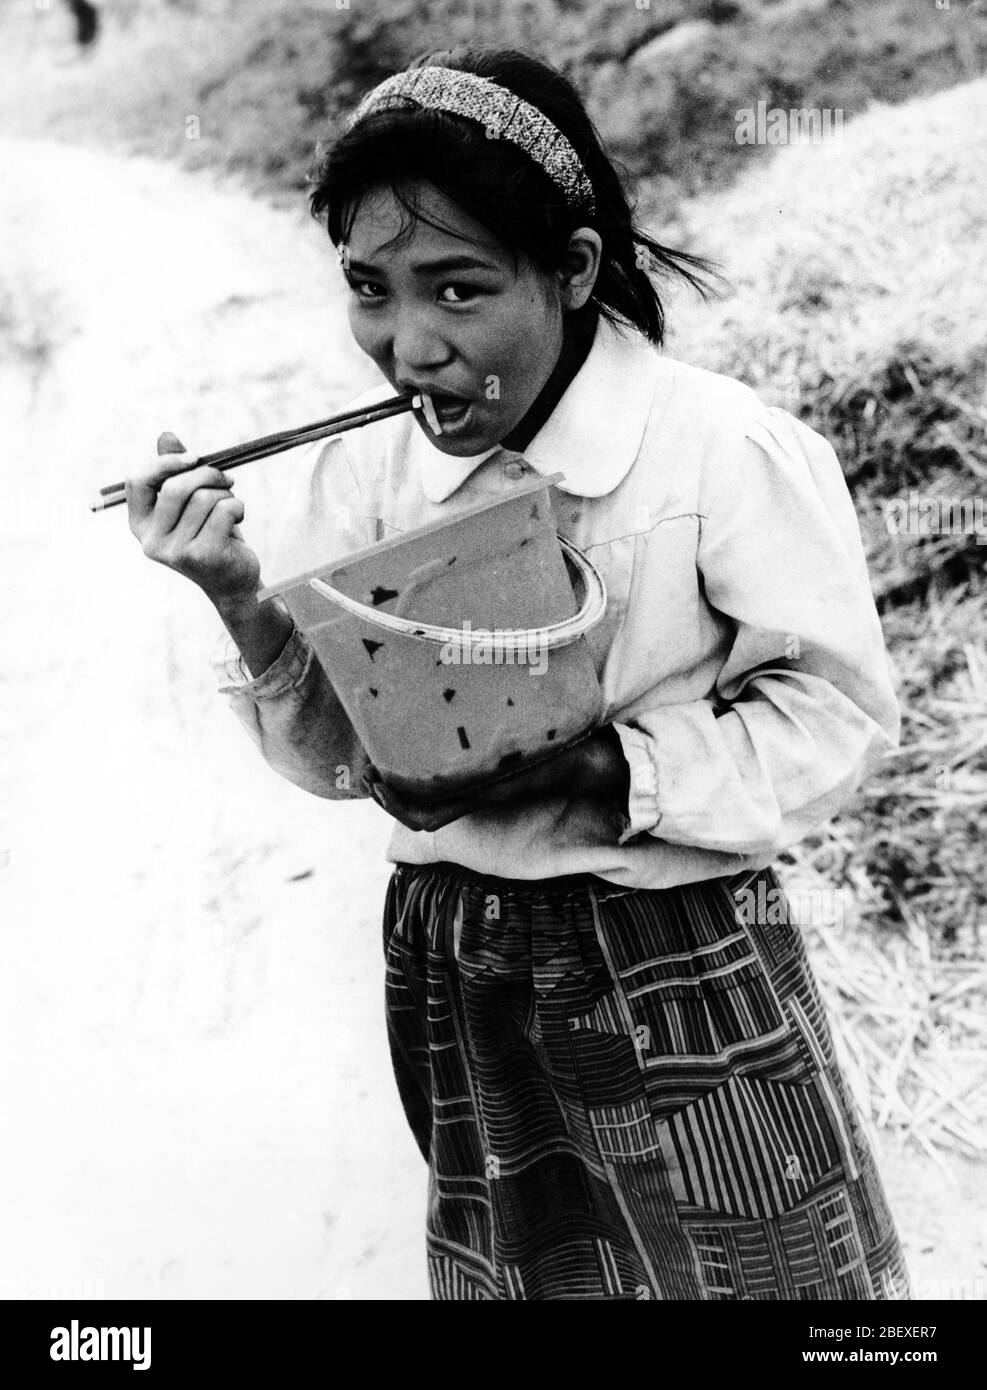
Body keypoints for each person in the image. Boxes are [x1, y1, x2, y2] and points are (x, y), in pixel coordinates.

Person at [125, 48, 911, 1301]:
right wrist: (241, 602)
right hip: (461, 958)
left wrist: (607, 770)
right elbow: (346, 759)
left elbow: (837, 717)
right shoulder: (364, 483)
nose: (410, 346)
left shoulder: (720, 454)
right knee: (532, 1274)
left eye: (459, 289)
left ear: (575, 269)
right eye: (369, 290)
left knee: (765, 1281)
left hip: (678, 949)